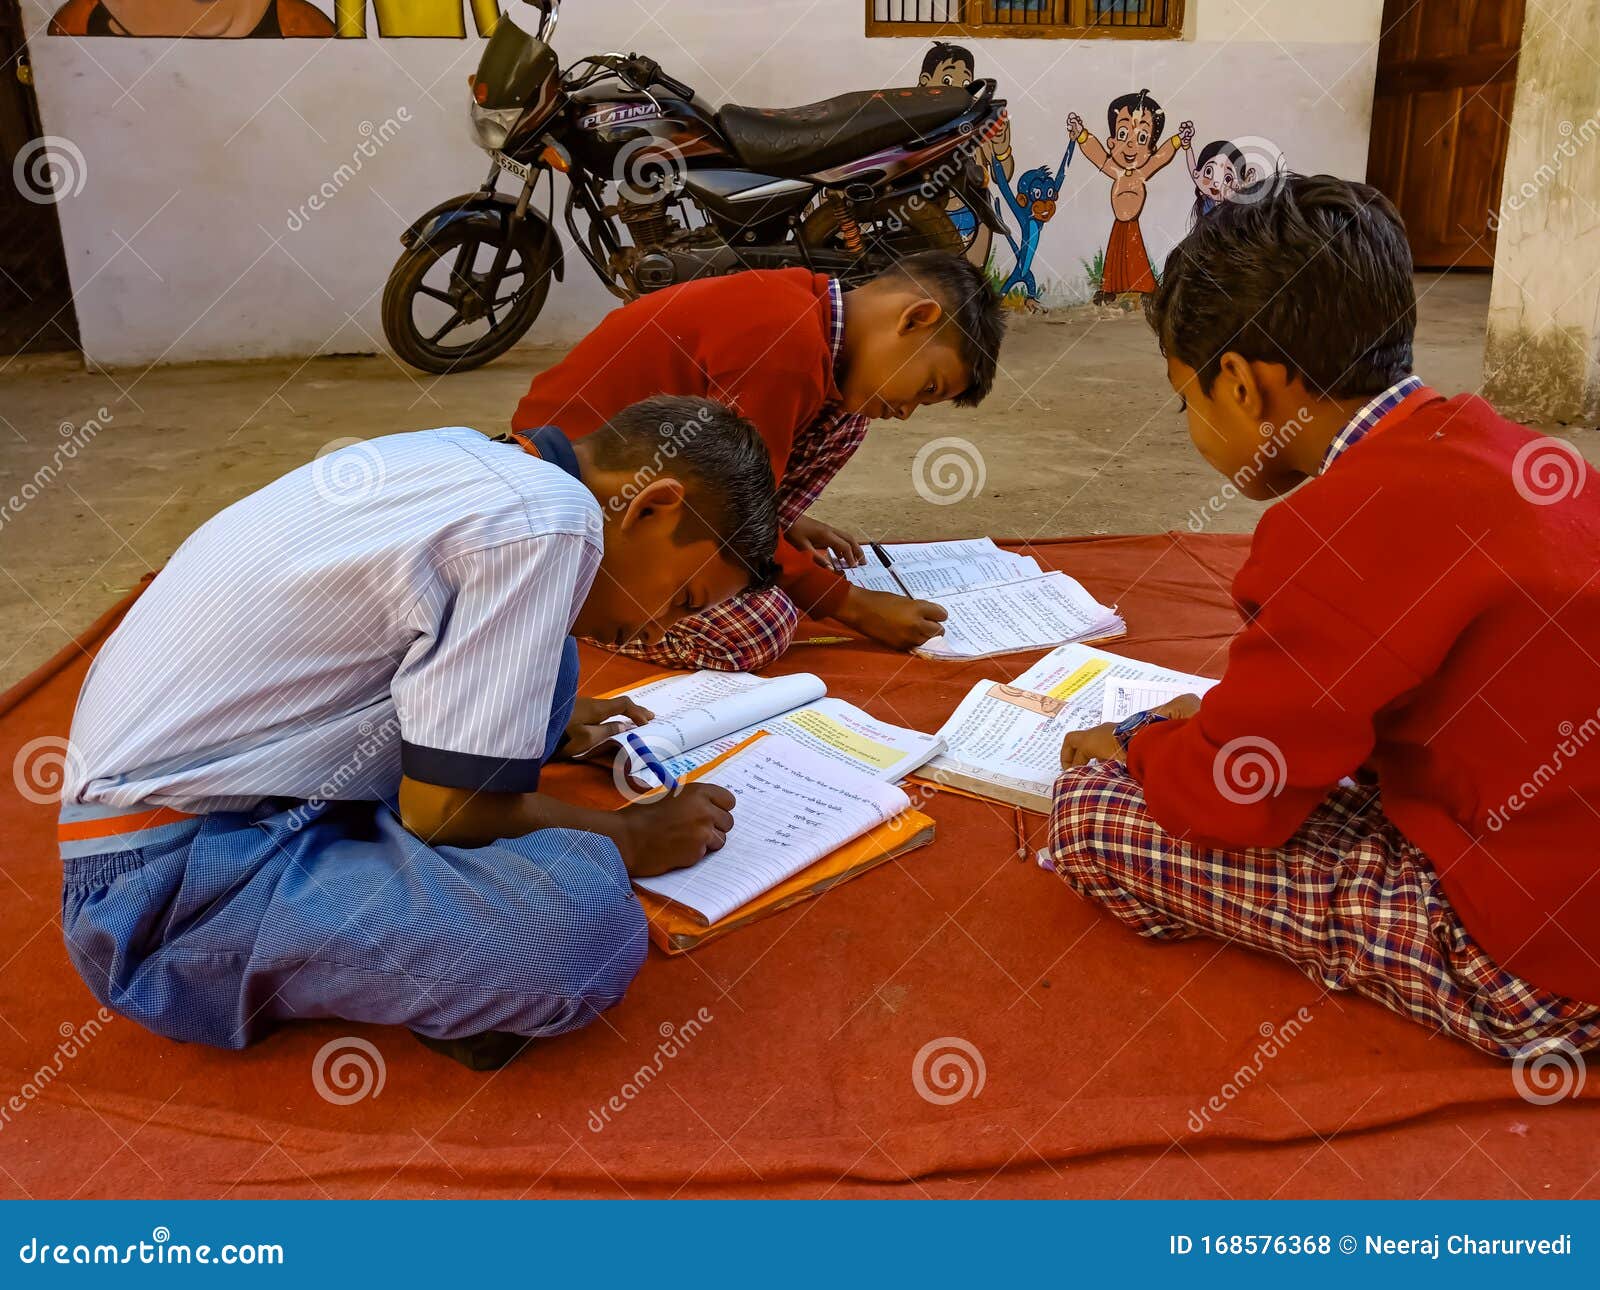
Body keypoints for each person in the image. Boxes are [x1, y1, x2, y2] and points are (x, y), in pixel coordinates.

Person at [1046, 174, 1600, 1058]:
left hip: (1549, 966)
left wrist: (1139, 746)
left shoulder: (1327, 529)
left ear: (1240, 385)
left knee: (1088, 814)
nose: (1192, 423)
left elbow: (1241, 801)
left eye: (1184, 398)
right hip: (1562, 853)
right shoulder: (1509, 447)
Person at [58, 397, 778, 1070]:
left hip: (235, 798)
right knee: (583, 932)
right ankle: (444, 974)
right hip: (163, 888)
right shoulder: (554, 522)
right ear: (653, 506)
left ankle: (417, 899)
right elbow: (447, 812)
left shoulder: (478, 458)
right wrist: (628, 839)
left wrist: (540, 721)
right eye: (682, 599)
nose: (659, 629)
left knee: (551, 656)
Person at [511, 252, 1005, 671]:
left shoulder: (805, 317)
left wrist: (789, 527)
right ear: (915, 318)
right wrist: (852, 605)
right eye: (927, 388)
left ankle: (760, 552)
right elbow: (729, 503)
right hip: (566, 502)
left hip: (649, 490)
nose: (905, 412)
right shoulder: (785, 346)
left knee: (850, 418)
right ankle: (583, 610)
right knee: (761, 625)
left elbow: (735, 471)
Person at [1066, 91, 1192, 302]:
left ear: (1151, 148)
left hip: (1131, 223)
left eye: (1142, 137)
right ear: (1112, 142)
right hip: (1120, 223)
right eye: (1123, 134)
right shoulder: (1113, 169)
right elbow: (1095, 152)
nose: (1131, 145)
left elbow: (1163, 155)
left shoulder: (1143, 171)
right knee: (1115, 255)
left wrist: (1179, 139)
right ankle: (1111, 289)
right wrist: (1081, 134)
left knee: (1135, 254)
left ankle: (1144, 288)